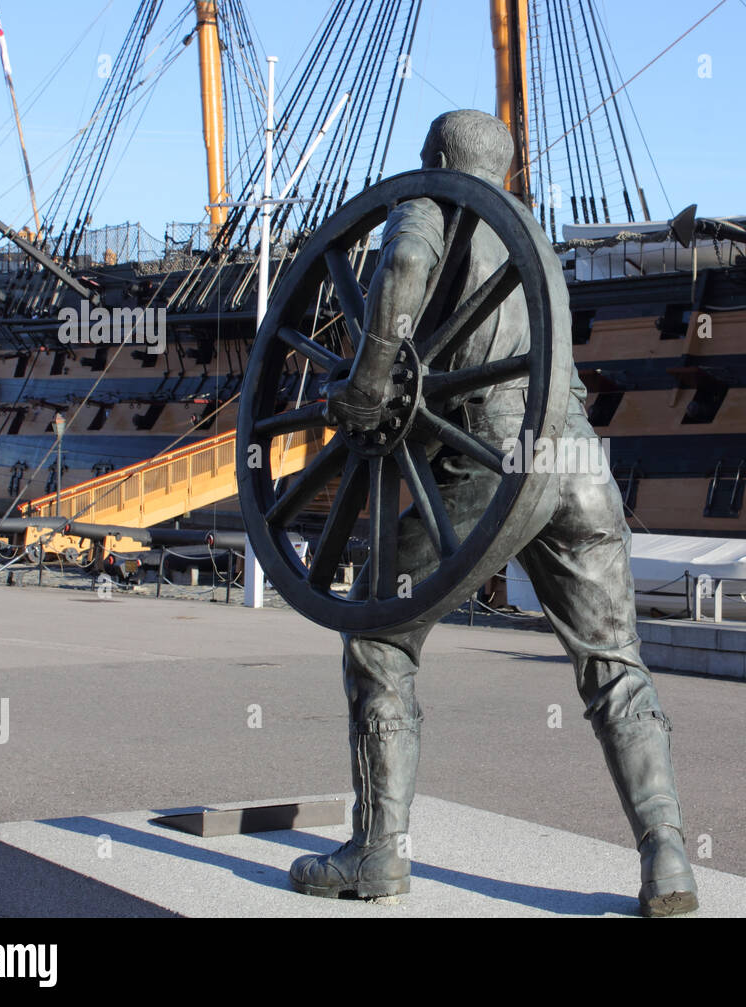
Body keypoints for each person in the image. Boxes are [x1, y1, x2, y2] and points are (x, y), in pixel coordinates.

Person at [288, 109, 698, 917]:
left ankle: (378, 852)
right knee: (613, 661)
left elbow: (404, 258)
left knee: (377, 631)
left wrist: (370, 380)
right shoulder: (535, 239)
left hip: (492, 458)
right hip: (579, 460)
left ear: (438, 159)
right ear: (506, 171)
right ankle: (669, 857)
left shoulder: (434, 207)